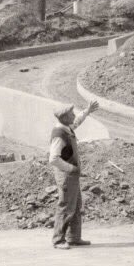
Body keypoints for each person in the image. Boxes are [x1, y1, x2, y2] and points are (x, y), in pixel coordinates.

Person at [49, 100, 99, 250]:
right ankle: (58, 240)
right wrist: (70, 168)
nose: (74, 115)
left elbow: (76, 122)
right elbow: (53, 159)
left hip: (71, 175)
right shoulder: (59, 134)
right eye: (71, 114)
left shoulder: (66, 128)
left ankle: (73, 238)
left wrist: (87, 111)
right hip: (66, 175)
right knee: (65, 206)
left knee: (76, 206)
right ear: (64, 117)